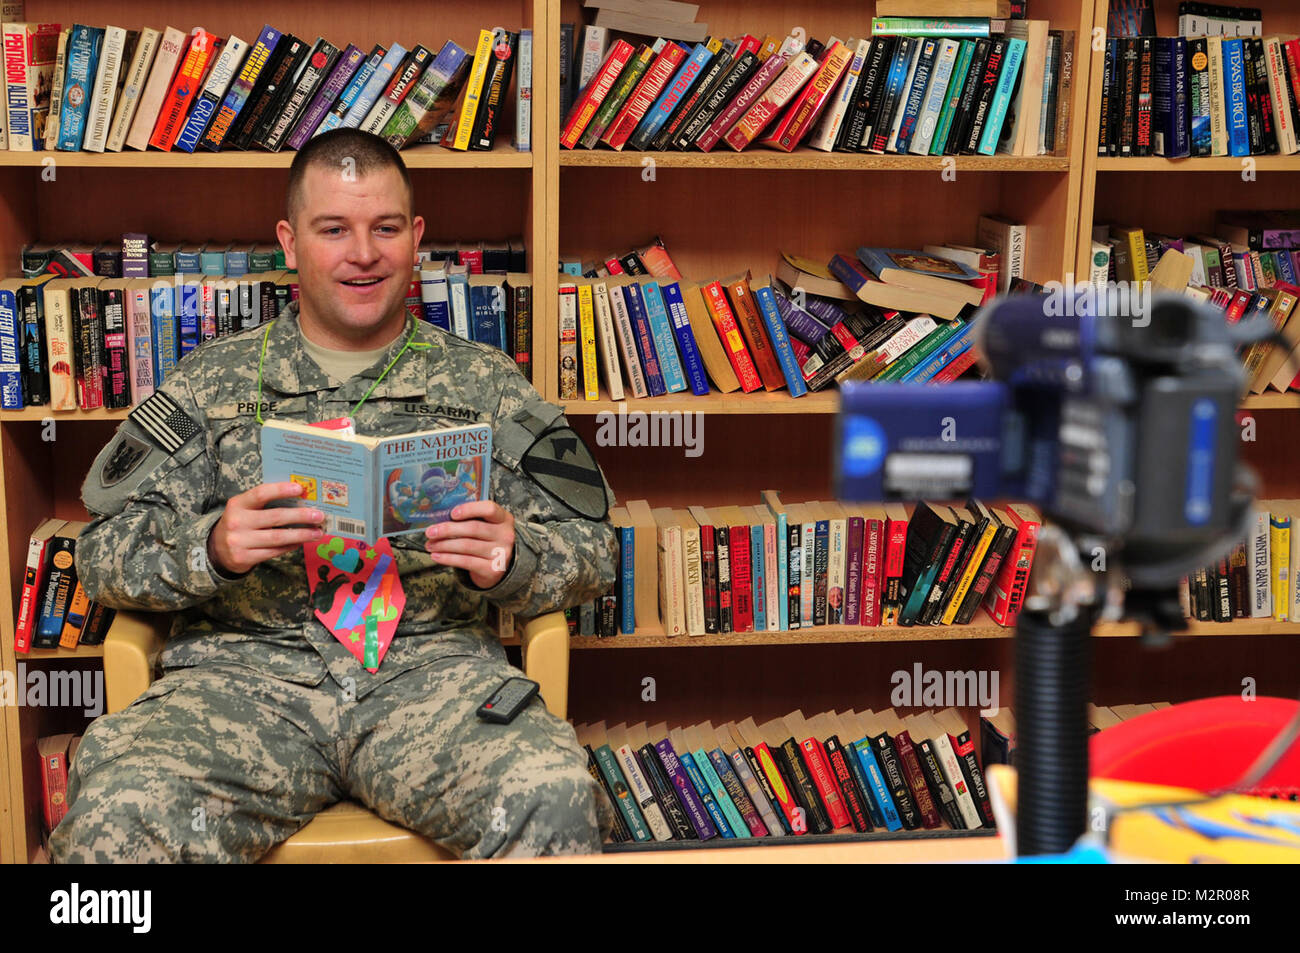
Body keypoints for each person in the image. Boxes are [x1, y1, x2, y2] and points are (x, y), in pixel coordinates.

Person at [50, 129, 618, 862]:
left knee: (552, 789)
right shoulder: (210, 380)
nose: (363, 253)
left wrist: (515, 555)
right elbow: (99, 554)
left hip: (430, 679)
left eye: (385, 228)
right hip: (244, 684)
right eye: (334, 229)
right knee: (118, 814)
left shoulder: (485, 381)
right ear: (289, 242)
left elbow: (595, 546)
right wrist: (211, 547)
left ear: (415, 239)